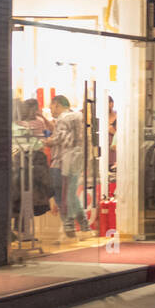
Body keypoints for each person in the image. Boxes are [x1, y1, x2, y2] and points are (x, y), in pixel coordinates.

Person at [48, 95, 90, 238]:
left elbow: (62, 138)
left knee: (62, 195)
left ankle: (69, 225)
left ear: (57, 105)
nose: (51, 110)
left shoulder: (63, 118)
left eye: (51, 107)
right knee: (71, 194)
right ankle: (84, 225)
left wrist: (49, 141)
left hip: (61, 161)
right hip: (77, 160)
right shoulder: (79, 116)